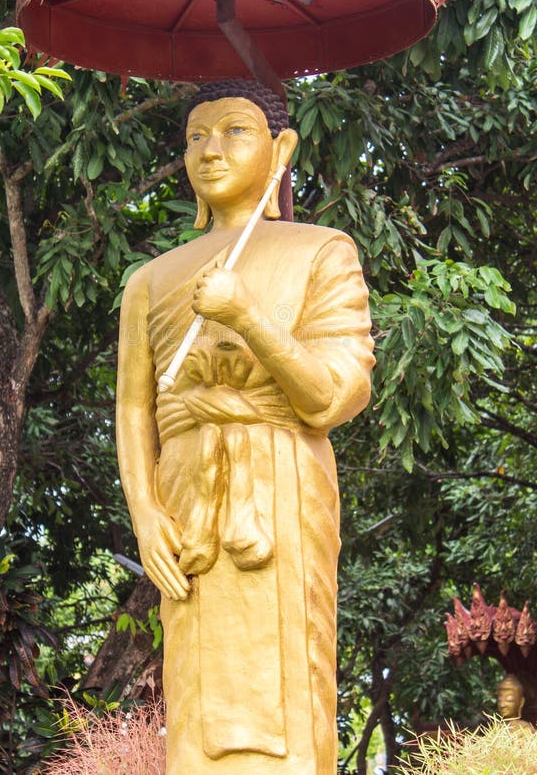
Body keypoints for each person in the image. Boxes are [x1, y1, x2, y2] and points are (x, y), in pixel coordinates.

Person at [116, 79, 375, 773]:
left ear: (281, 147)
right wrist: (145, 513)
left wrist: (246, 317)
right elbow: (135, 409)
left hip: (283, 483)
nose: (210, 150)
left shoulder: (323, 252)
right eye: (196, 136)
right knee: (197, 678)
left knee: (288, 671)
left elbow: (332, 397)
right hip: (186, 492)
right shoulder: (150, 279)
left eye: (235, 130)